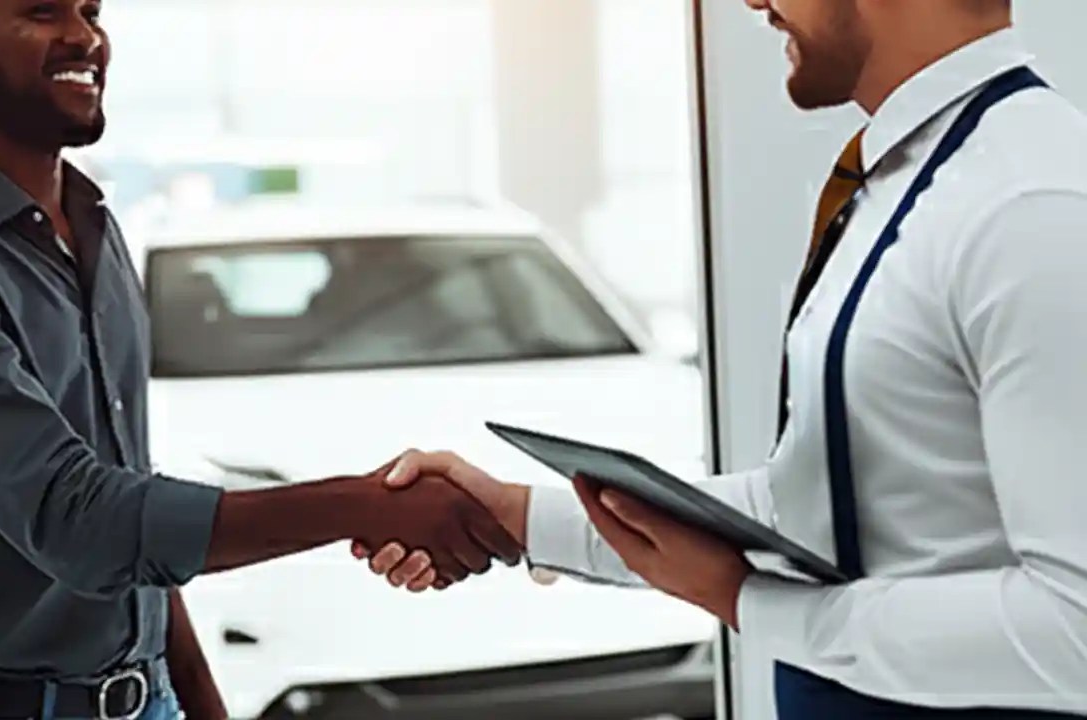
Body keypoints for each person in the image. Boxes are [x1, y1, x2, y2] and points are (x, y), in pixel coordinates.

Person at [357, 0, 1087, 717]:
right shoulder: (904, 180)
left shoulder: (1029, 203)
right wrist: (520, 518)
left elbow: (1075, 630)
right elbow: (821, 508)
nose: (755, 2)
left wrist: (745, 601)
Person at [0, 1, 521, 719]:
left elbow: (131, 516)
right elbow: (82, 523)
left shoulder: (91, 225)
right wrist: (363, 506)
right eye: (41, 12)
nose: (85, 36)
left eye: (91, 10)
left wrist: (198, 704)